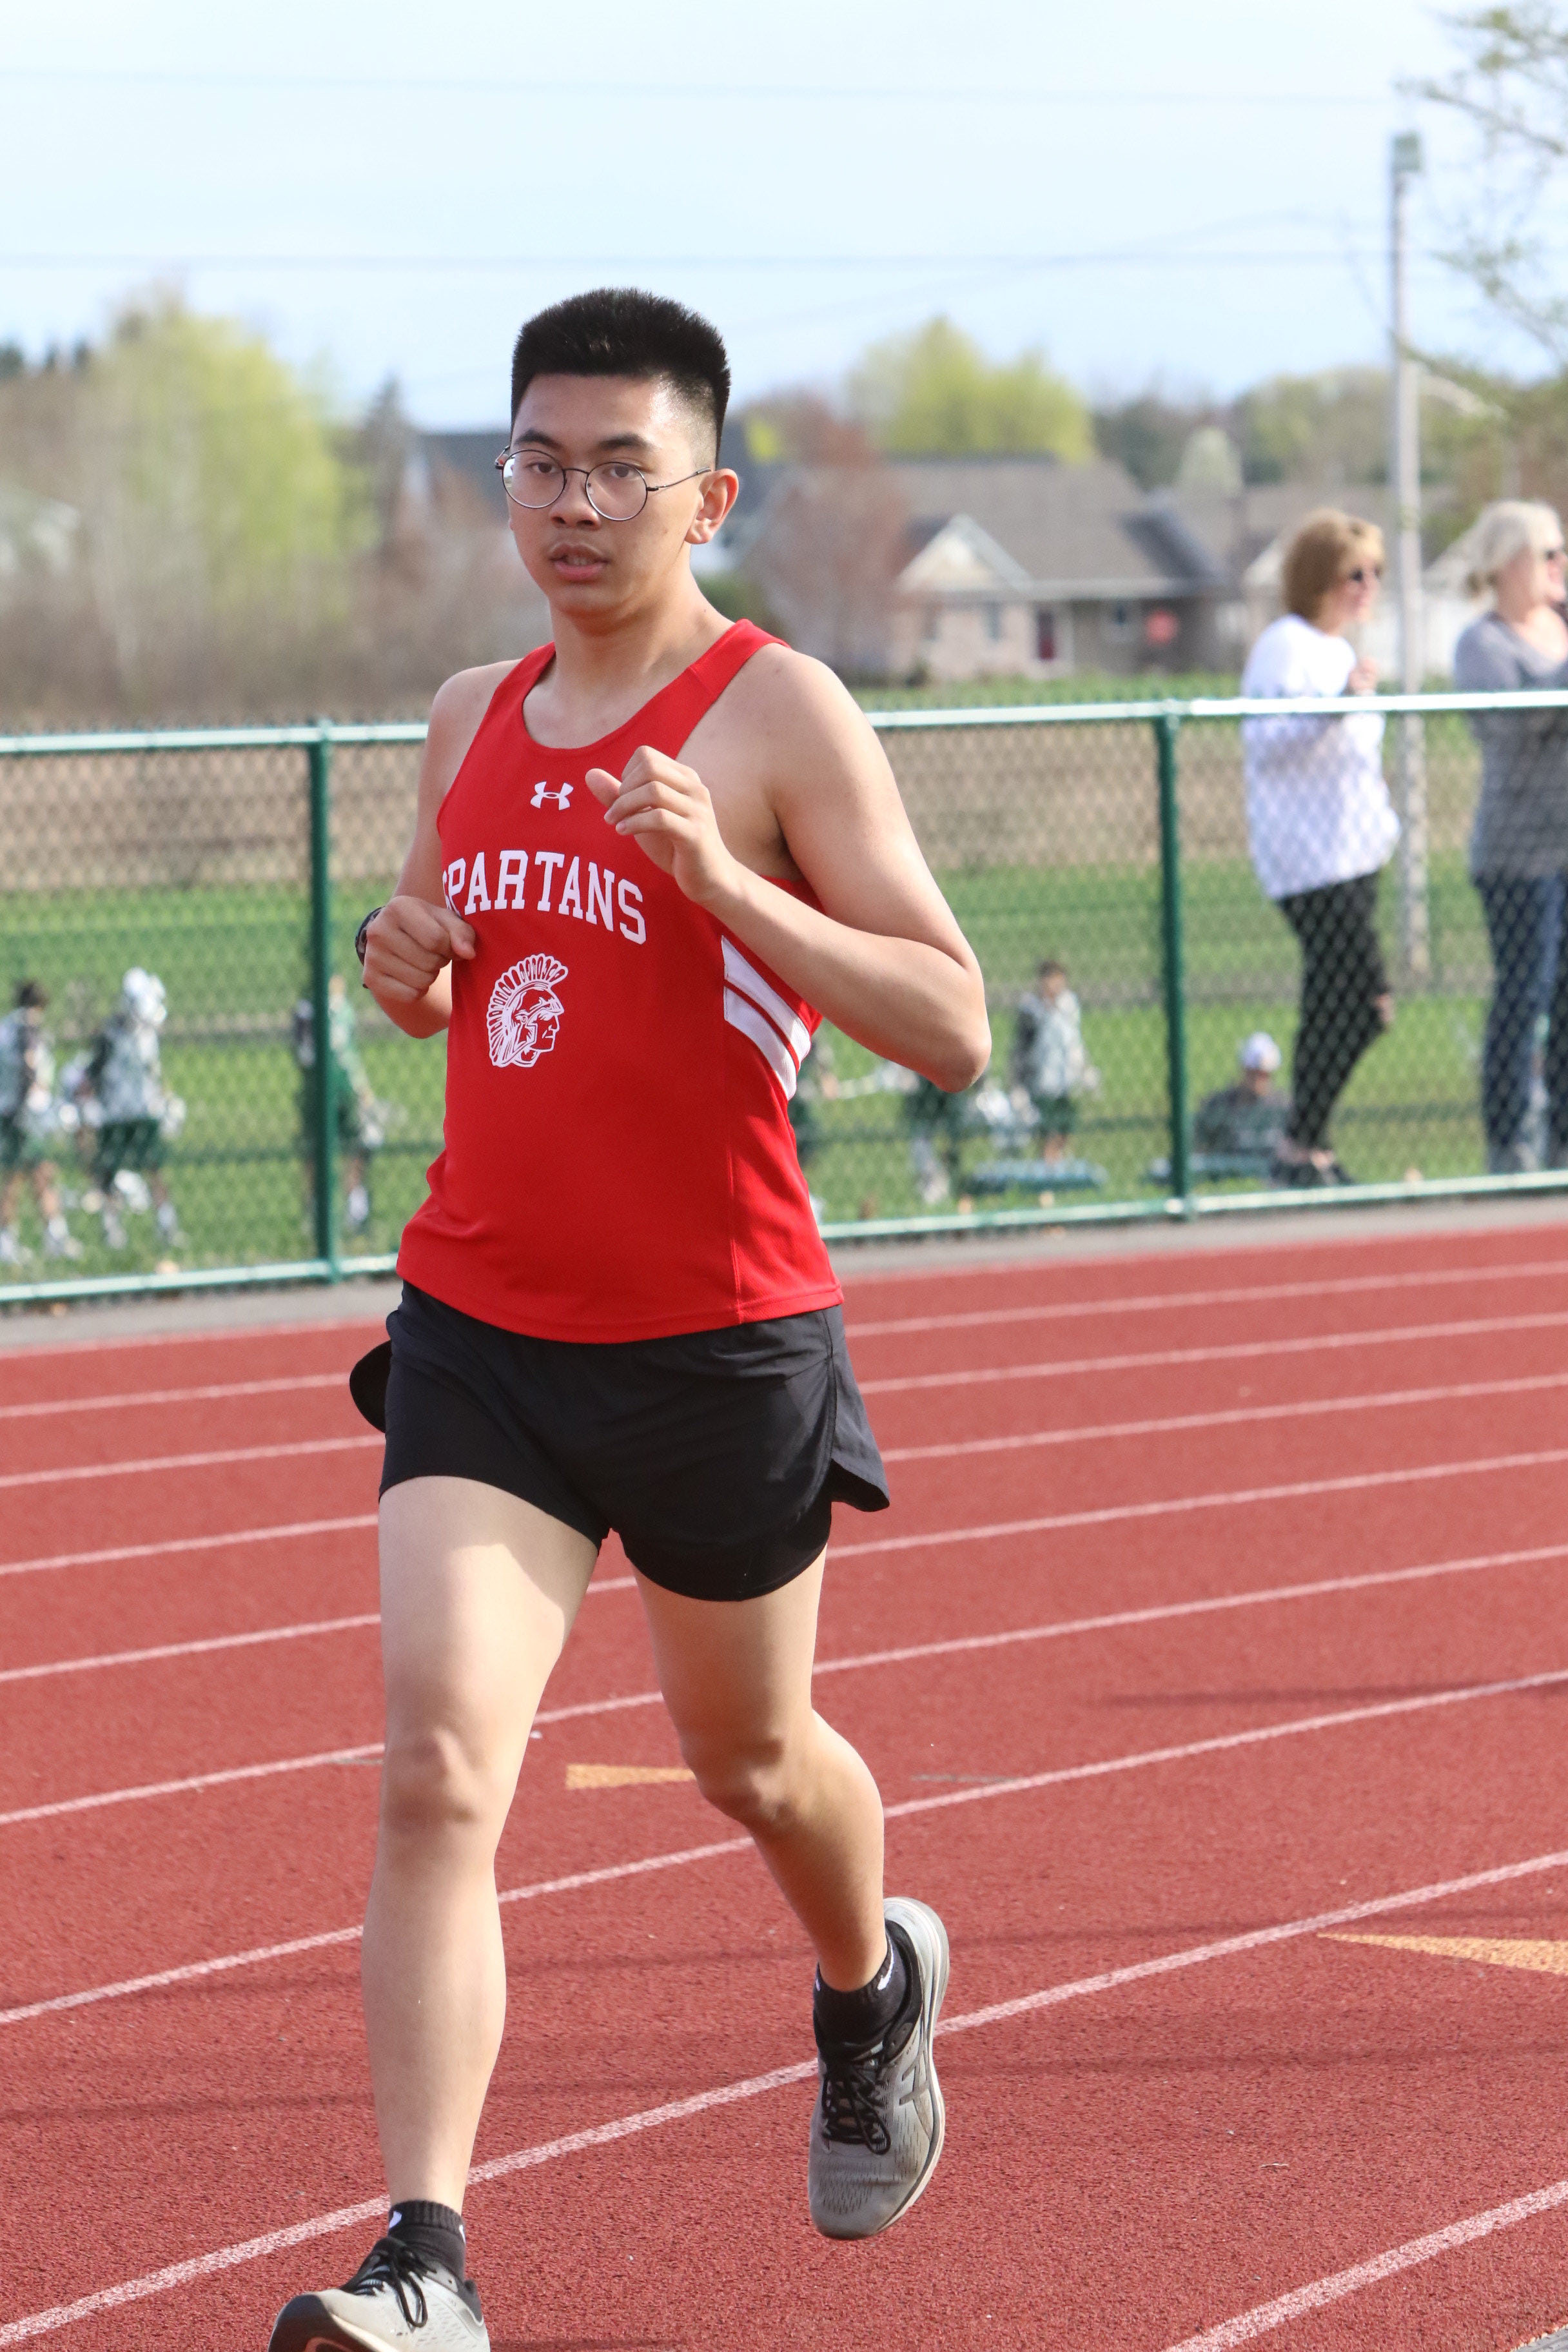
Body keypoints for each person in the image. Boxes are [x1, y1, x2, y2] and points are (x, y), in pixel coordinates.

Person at [268, 289, 989, 2352]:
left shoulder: (777, 713)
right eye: (539, 461)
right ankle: (429, 2256)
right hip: (484, 1315)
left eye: (617, 467)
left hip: (717, 1336)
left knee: (749, 1759)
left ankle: (873, 1981)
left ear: (708, 495)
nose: (572, 503)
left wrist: (734, 889)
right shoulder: (465, 711)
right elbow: (448, 979)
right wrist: (407, 965)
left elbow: (945, 1020)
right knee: (431, 1769)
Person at [1241, 508, 1399, 1184]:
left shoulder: (1339, 652)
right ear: (1318, 578)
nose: (1365, 585)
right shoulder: (1285, 644)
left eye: (1374, 573)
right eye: (1352, 573)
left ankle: (1310, 1149)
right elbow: (1266, 740)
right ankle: (1300, 1140)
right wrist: (1334, 703)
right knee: (1368, 1005)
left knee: (1330, 1002)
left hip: (1354, 855)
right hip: (1308, 863)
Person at [1452, 500, 1568, 1171]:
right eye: (1544, 553)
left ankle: (1561, 1135)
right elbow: (1509, 728)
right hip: (1518, 853)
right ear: (1505, 564)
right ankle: (1506, 1141)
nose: (1557, 565)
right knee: (1523, 992)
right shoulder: (1482, 644)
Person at [78, 968, 186, 1250]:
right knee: (109, 1173)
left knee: (155, 1169)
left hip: (143, 1111)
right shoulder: (109, 1036)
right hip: (114, 1114)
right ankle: (112, 1230)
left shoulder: (148, 1034)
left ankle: (166, 1224)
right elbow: (93, 1074)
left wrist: (165, 1098)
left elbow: (153, 1072)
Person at [293, 972, 384, 1231]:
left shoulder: (329, 1009)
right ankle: (329, 1211)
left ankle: (344, 1211)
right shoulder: (319, 1009)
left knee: (346, 1148)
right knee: (325, 1150)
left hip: (332, 1087)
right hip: (333, 1087)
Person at [0, 979, 83, 1265]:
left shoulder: (7, 1027)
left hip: (11, 1111)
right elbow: (29, 1066)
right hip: (21, 1114)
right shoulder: (27, 1028)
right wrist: (34, 1105)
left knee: (38, 1173)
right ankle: (11, 1240)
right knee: (19, 1177)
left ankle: (52, 1236)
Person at [1009, 956, 1095, 1166]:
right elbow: (1020, 1050)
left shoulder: (1069, 1006)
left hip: (1067, 1079)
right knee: (1048, 1131)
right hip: (1041, 1082)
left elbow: (1075, 1041)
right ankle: (1048, 1174)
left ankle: (1058, 1166)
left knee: (1066, 1128)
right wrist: (1016, 1084)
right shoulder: (1032, 1010)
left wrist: (1086, 1070)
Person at [1192, 1030, 1289, 1171]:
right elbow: (1199, 1151)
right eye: (1254, 1072)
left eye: (1264, 1074)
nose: (1259, 1079)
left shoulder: (1284, 1106)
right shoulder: (1219, 1106)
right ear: (1244, 1070)